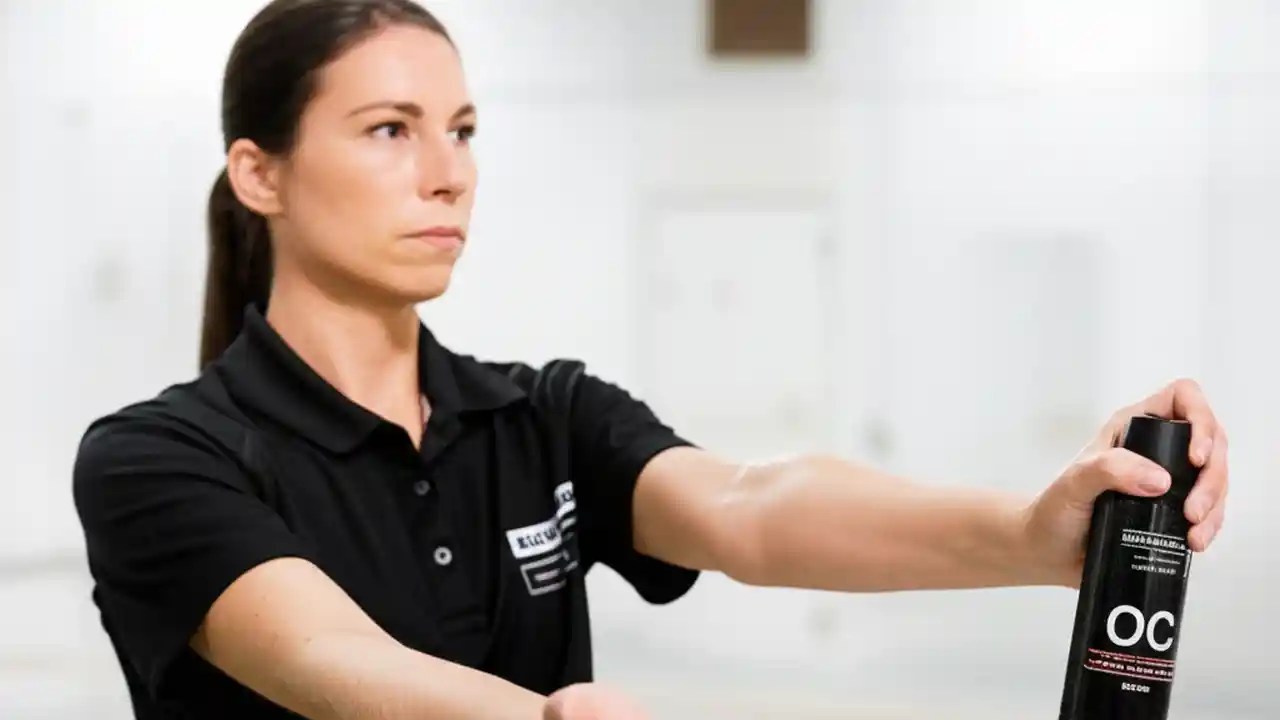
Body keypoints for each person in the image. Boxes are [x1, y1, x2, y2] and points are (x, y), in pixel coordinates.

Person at [70, 1, 1231, 719]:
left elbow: (752, 508)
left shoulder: (539, 419)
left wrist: (1038, 536)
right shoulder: (158, 460)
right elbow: (325, 658)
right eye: (389, 129)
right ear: (258, 172)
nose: (449, 171)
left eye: (462, 129)